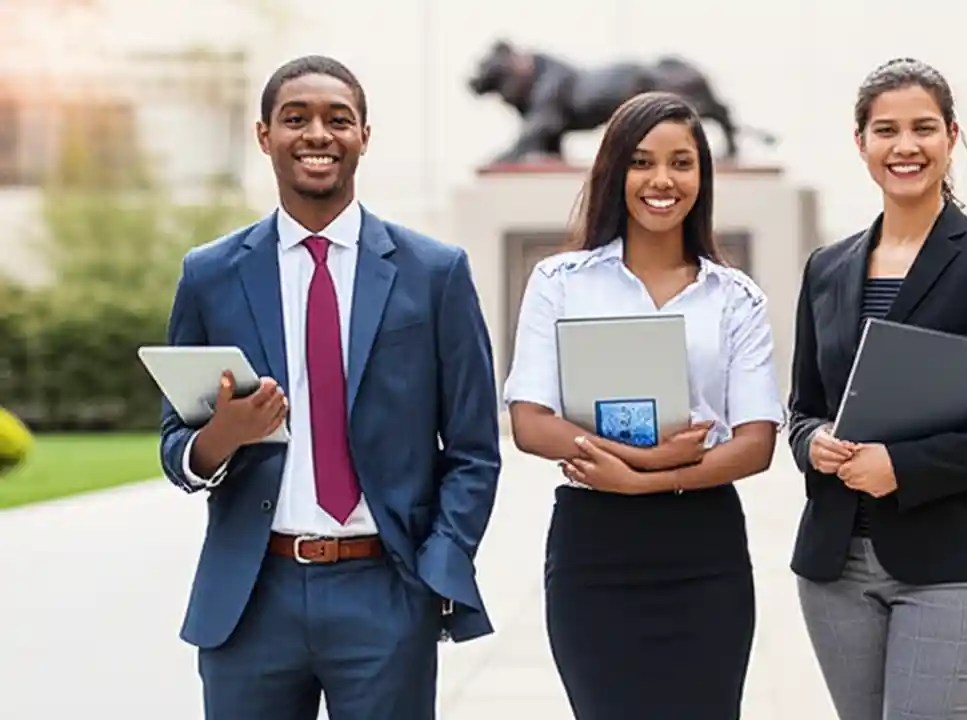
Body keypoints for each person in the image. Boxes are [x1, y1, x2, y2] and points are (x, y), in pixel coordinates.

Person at [157, 55, 501, 719]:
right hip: (251, 598)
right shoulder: (209, 276)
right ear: (264, 136)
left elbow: (473, 447)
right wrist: (220, 439)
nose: (317, 133)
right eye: (296, 119)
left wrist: (439, 567)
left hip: (384, 591)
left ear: (363, 136)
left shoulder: (434, 274)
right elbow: (176, 446)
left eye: (337, 119)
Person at [786, 57, 967, 719]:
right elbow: (803, 407)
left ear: (951, 137)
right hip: (835, 566)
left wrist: (904, 466)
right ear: (861, 144)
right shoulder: (827, 268)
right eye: (885, 130)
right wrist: (814, 442)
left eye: (923, 128)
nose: (905, 146)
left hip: (954, 561)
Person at [503, 91, 785, 719]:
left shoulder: (735, 297)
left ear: (702, 177)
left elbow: (757, 442)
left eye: (681, 163)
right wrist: (643, 460)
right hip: (594, 550)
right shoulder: (560, 282)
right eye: (641, 162)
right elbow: (529, 422)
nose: (662, 180)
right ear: (614, 174)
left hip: (703, 548)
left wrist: (646, 480)